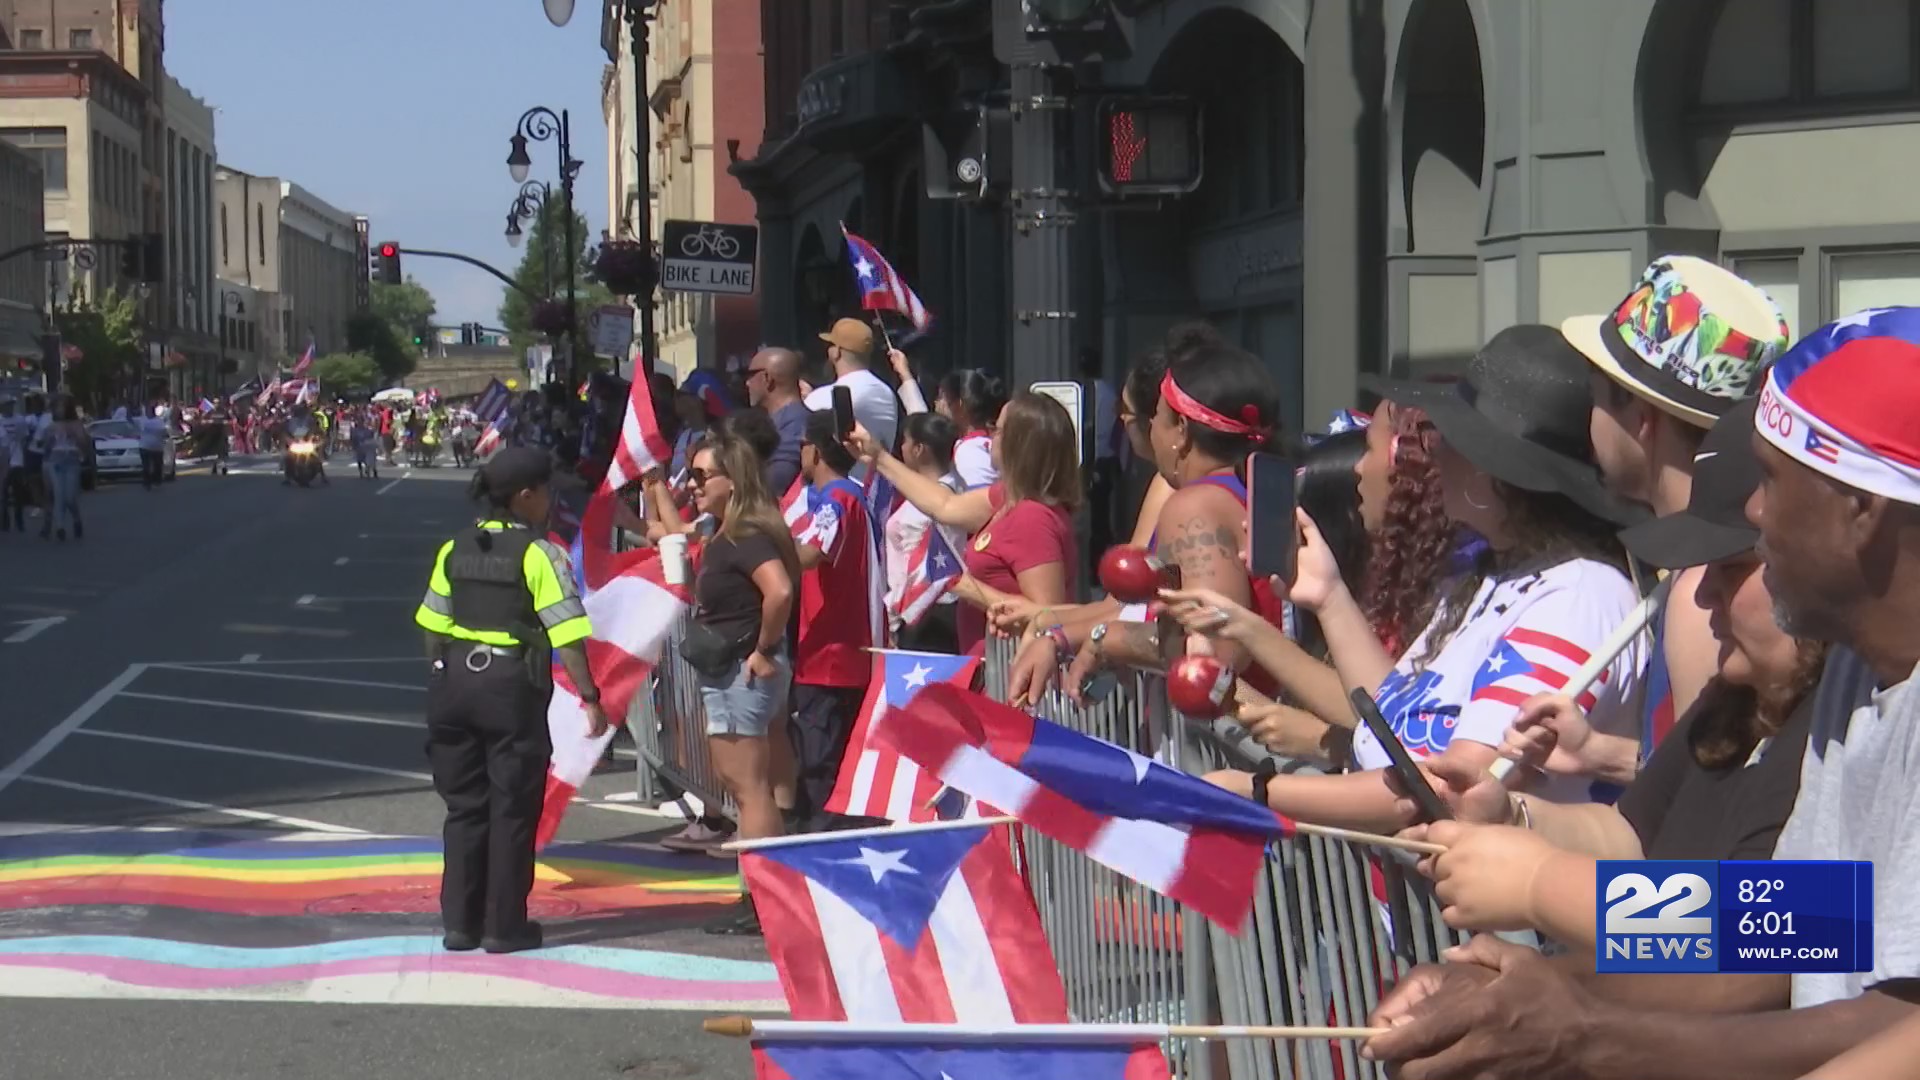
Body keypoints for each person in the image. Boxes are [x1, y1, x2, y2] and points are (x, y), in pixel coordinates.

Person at [1360, 309, 1920, 1080]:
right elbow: (1793, 930)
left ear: (1864, 511)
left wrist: (1584, 1029)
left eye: (1772, 479)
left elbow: (1901, 1022)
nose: (1755, 514)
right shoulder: (1857, 676)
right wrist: (1523, 990)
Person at [1401, 399, 1823, 950]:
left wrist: (1541, 887)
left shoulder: (1841, 717)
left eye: (1732, 567)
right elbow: (1629, 835)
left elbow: (1805, 923)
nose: (1702, 594)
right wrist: (1512, 814)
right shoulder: (1732, 700)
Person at [1197, 326, 1645, 836]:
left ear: (1490, 473)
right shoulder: (1489, 575)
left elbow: (1451, 785)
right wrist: (1328, 595)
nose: (1435, 455)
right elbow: (1395, 721)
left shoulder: (1576, 598)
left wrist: (1258, 792)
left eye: (1451, 439)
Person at [1560, 256, 1789, 759]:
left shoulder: (1701, 596)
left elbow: (1697, 795)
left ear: (1642, 418)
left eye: (1598, 400)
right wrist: (1598, 753)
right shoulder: (1720, 572)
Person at [413, 447, 606, 955]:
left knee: (464, 808)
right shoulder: (540, 554)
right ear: (525, 496)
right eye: (547, 491)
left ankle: (460, 924)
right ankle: (503, 927)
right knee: (511, 809)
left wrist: (445, 676)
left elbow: (432, 626)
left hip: (453, 685)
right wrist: (590, 697)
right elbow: (567, 634)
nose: (551, 500)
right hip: (509, 689)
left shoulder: (454, 547)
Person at [848, 391, 1081, 656]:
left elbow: (1049, 617)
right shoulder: (1006, 498)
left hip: (1011, 670)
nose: (990, 436)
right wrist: (877, 457)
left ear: (1019, 444)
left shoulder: (1033, 518)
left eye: (997, 430)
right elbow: (945, 505)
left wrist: (964, 585)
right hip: (987, 662)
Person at [684, 433, 800, 935]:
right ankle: (770, 895)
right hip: (748, 674)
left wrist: (762, 649)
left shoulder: (743, 536)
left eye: (701, 475)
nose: (692, 485)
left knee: (747, 790)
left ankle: (759, 900)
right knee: (762, 789)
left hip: (739, 675)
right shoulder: (733, 533)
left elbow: (781, 591)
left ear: (732, 481)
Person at [788, 409, 883, 830]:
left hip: (830, 654)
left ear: (816, 451)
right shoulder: (853, 495)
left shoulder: (837, 499)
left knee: (822, 765)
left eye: (802, 445)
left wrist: (763, 547)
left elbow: (810, 553)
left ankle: (824, 846)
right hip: (841, 651)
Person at [882, 412, 965, 652]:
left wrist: (894, 617)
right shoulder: (957, 487)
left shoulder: (923, 508)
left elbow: (913, 569)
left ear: (919, 449)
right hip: (939, 606)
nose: (902, 448)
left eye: (905, 441)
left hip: (923, 611)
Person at [805, 318, 900, 469]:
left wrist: (803, 398)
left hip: (842, 482)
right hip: (879, 481)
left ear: (836, 352)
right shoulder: (887, 392)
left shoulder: (823, 396)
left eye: (830, 345)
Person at [745, 347, 808, 497]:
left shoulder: (795, 423)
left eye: (750, 375)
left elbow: (775, 484)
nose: (747, 383)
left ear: (766, 378)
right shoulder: (778, 421)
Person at [935, 369, 1007, 490]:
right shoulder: (985, 442)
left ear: (959, 405)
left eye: (943, 397)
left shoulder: (970, 451)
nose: (937, 403)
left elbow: (981, 496)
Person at [0, 396, 25, 532]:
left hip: (17, 460)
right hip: (3, 462)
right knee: (3, 492)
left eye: (11, 404)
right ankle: (4, 521)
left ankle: (19, 519)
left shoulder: (20, 420)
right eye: (7, 405)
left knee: (18, 492)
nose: (9, 407)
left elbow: (24, 438)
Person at [137, 404, 170, 489]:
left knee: (147, 465)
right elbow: (165, 433)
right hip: (155, 446)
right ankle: (155, 481)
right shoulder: (159, 421)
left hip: (147, 446)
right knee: (156, 465)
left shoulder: (143, 420)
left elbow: (137, 428)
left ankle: (148, 482)